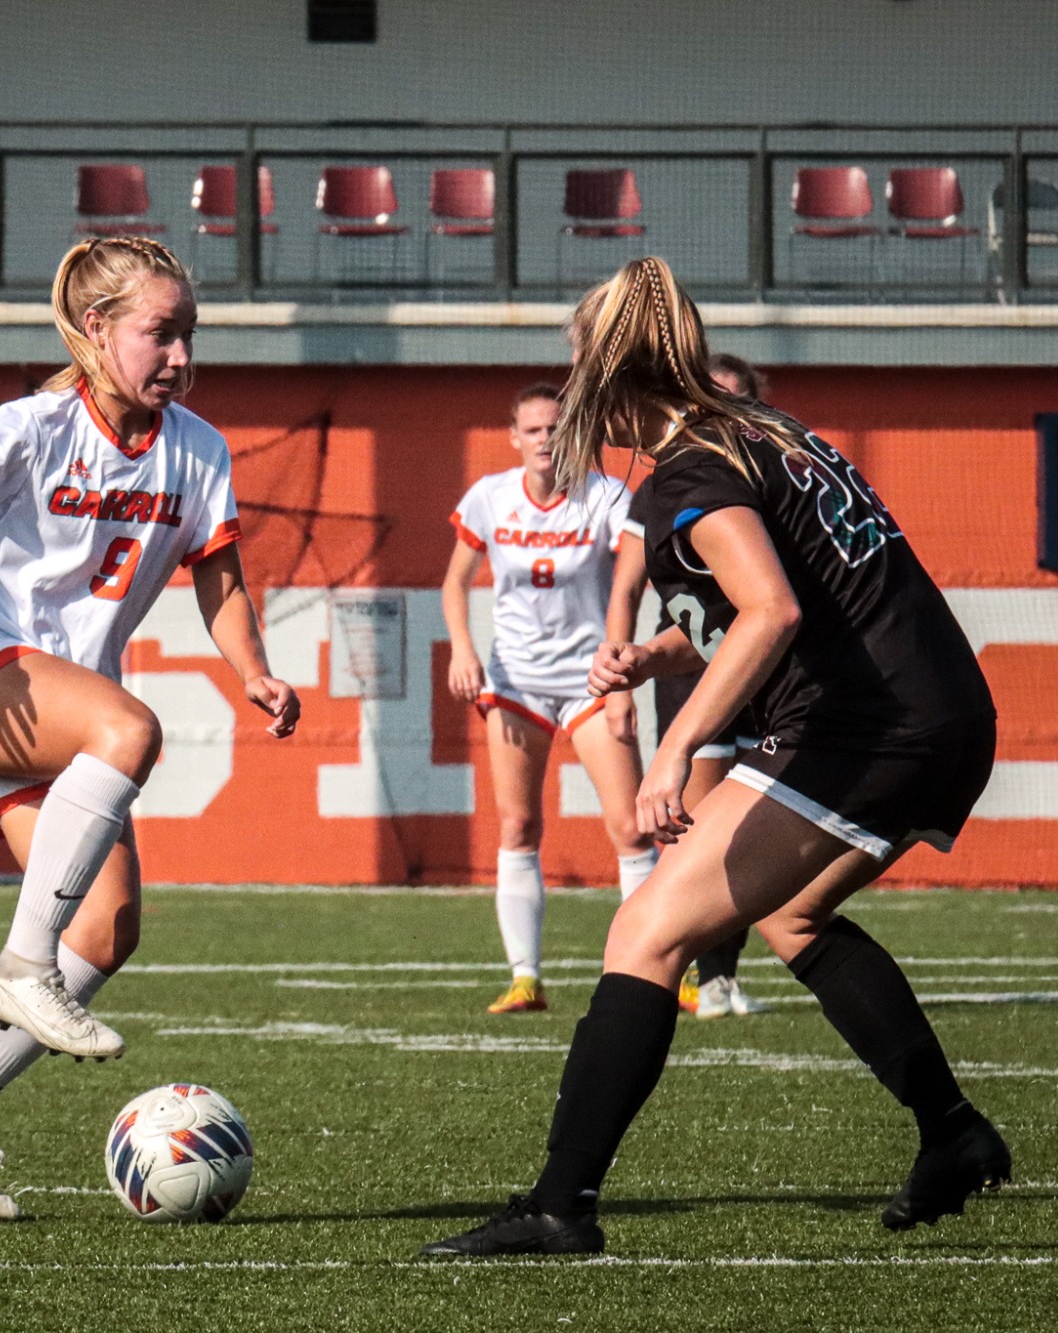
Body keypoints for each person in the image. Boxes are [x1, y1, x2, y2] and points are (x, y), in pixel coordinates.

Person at [422, 258, 1005, 1258]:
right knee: (789, 913)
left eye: (575, 367)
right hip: (942, 711)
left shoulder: (690, 466)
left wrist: (673, 747)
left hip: (869, 724)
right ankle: (952, 1134)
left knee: (645, 931)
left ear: (611, 371)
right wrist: (655, 652)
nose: (566, 397)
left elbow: (770, 609)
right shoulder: (762, 431)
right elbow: (773, 596)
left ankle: (560, 1204)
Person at [0, 236, 300, 1221]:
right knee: (130, 729)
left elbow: (220, 577)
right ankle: (20, 968)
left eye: (186, 334)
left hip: (59, 718)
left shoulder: (196, 449)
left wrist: (252, 668)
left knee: (106, 928)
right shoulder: (34, 425)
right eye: (158, 333)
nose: (178, 355)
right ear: (94, 330)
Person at [443, 383, 656, 1015]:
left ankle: (660, 968)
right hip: (516, 681)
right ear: (514, 439)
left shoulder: (606, 493)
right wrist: (463, 648)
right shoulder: (490, 497)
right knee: (518, 823)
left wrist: (618, 673)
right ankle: (525, 978)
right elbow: (455, 582)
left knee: (631, 827)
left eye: (556, 429)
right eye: (532, 430)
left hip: (590, 680)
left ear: (577, 435)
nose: (545, 440)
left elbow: (633, 578)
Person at [605, 352, 773, 1021]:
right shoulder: (661, 487)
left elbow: (777, 604)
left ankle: (722, 977)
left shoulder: (772, 479)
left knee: (761, 837)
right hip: (691, 671)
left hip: (767, 673)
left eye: (736, 400)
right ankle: (692, 973)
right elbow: (623, 590)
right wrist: (621, 679)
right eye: (712, 398)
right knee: (700, 831)